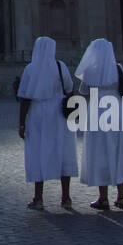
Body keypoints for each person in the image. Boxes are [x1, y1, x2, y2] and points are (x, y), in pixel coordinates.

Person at [17, 36, 78, 211]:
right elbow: (69, 88)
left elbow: (24, 98)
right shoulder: (61, 66)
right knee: (63, 151)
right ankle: (66, 197)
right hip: (59, 114)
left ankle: (38, 198)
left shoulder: (30, 69)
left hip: (37, 115)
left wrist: (22, 123)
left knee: (37, 152)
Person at [75, 38, 123, 211]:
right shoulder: (119, 68)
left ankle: (103, 198)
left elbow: (83, 91)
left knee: (100, 151)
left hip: (99, 111)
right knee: (119, 151)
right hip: (118, 110)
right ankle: (121, 197)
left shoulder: (91, 70)